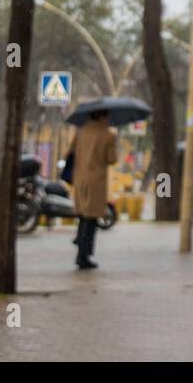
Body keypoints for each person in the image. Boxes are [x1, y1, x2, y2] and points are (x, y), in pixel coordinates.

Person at [69, 110, 117, 269]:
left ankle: (80, 249)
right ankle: (84, 255)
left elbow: (70, 153)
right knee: (91, 218)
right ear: (103, 116)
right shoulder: (108, 135)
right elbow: (111, 159)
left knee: (83, 216)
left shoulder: (81, 132)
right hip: (96, 180)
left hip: (80, 178)